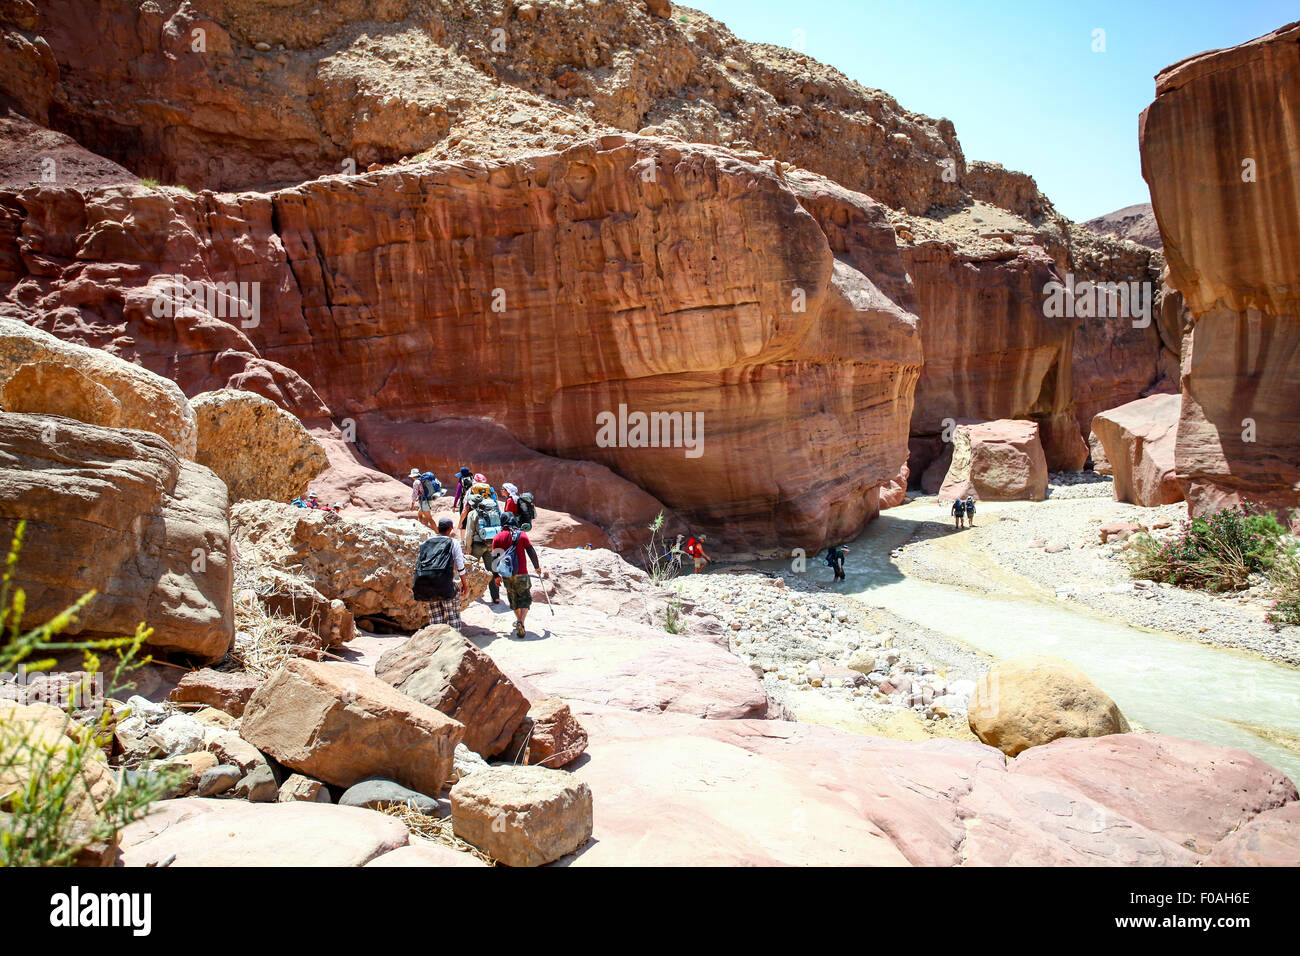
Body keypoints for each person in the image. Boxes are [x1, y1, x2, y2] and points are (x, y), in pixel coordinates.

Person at [491, 514, 546, 639]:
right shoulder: (521, 534)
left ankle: (519, 620)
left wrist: (496, 576)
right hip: (522, 572)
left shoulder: (497, 537)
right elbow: (531, 551)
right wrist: (537, 567)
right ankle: (521, 621)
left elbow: (494, 558)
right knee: (525, 599)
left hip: (507, 574)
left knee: (513, 599)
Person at [419, 517, 469, 629]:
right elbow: (460, 566)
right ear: (450, 529)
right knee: (453, 617)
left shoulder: (428, 542)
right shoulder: (454, 543)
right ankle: (454, 642)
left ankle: (438, 641)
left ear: (438, 528)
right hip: (447, 585)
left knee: (436, 620)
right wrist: (464, 584)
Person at [463, 492, 503, 604]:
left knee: (471, 569)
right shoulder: (491, 512)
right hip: (491, 544)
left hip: (477, 545)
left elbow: (469, 533)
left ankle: (470, 594)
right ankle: (495, 597)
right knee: (492, 570)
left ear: (472, 504)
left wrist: (468, 548)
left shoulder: (473, 514)